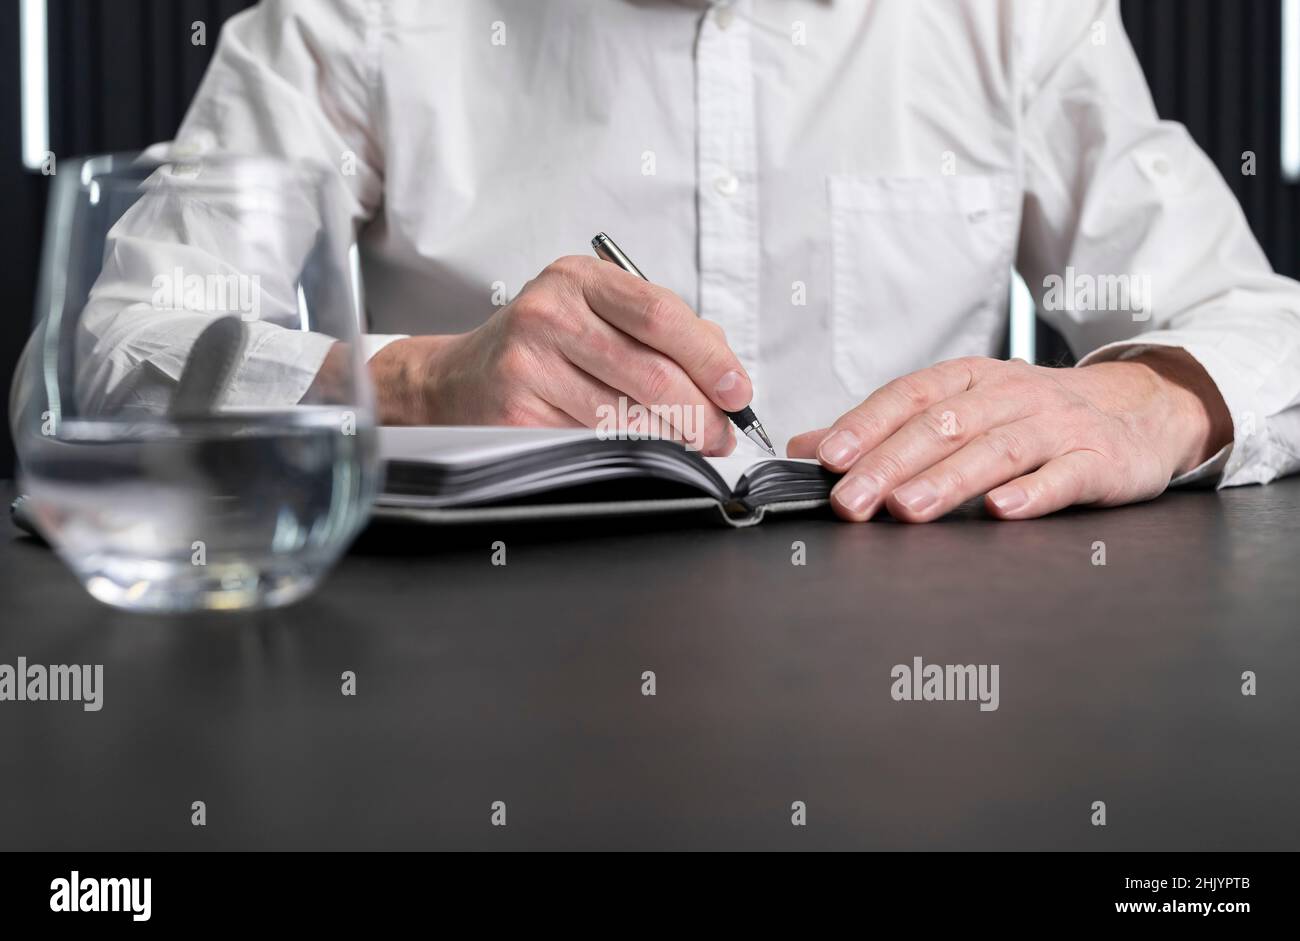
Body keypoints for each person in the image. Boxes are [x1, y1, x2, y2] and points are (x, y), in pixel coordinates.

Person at [79, 0, 1300, 522]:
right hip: (459, 700)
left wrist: (1151, 397)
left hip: (915, 705)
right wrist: (406, 384)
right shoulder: (355, 18)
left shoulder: (1010, 16)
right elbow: (105, 354)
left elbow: (1257, 319)